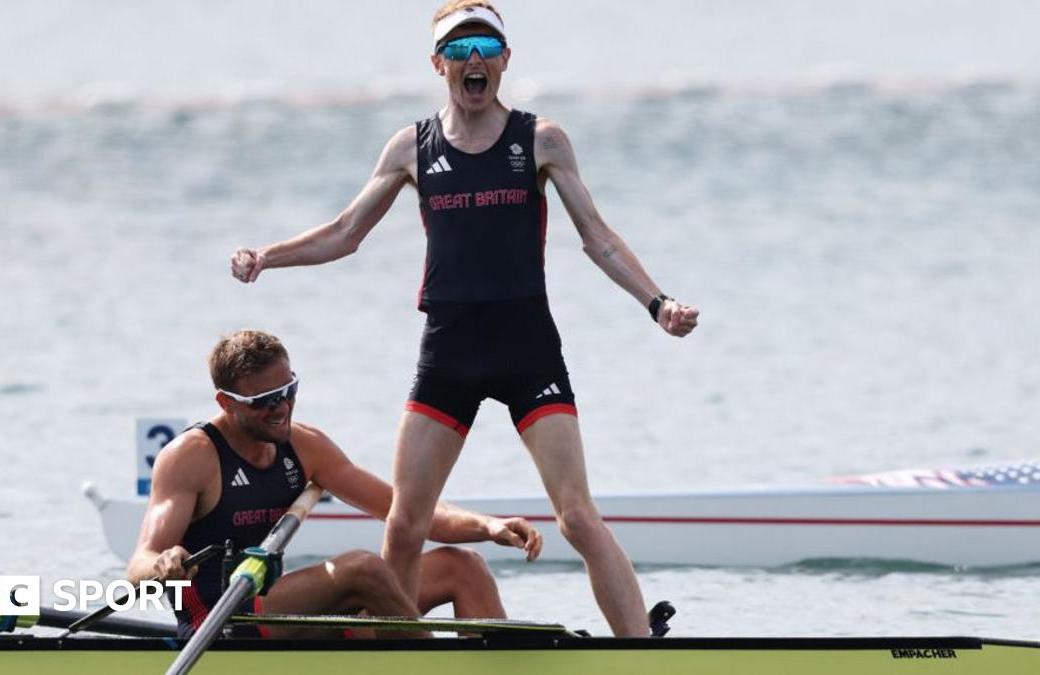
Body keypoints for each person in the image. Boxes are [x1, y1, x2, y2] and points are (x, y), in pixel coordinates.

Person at [229, 1, 698, 637]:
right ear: (437, 64)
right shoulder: (411, 147)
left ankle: (639, 648)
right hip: (448, 352)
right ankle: (397, 649)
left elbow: (598, 239)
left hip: (528, 348)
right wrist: (267, 257)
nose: (472, 61)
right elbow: (344, 233)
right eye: (457, 50)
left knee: (578, 518)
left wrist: (658, 303)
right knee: (404, 522)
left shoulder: (542, 139)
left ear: (505, 61)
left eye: (485, 50)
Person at [127, 329, 542, 638]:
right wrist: (162, 564)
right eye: (263, 402)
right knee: (361, 569)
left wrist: (488, 526)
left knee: (462, 567)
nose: (281, 409)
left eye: (288, 391)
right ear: (226, 403)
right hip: (220, 623)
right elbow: (137, 567)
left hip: (284, 612)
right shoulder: (191, 457)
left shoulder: (305, 445)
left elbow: (406, 511)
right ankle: (429, 661)